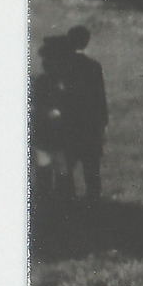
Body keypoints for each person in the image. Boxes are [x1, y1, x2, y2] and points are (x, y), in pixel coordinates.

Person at [36, 25, 109, 201]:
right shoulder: (93, 66)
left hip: (68, 123)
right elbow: (100, 96)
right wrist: (103, 122)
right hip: (89, 123)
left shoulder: (63, 67)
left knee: (65, 166)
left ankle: (64, 200)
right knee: (91, 165)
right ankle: (93, 199)